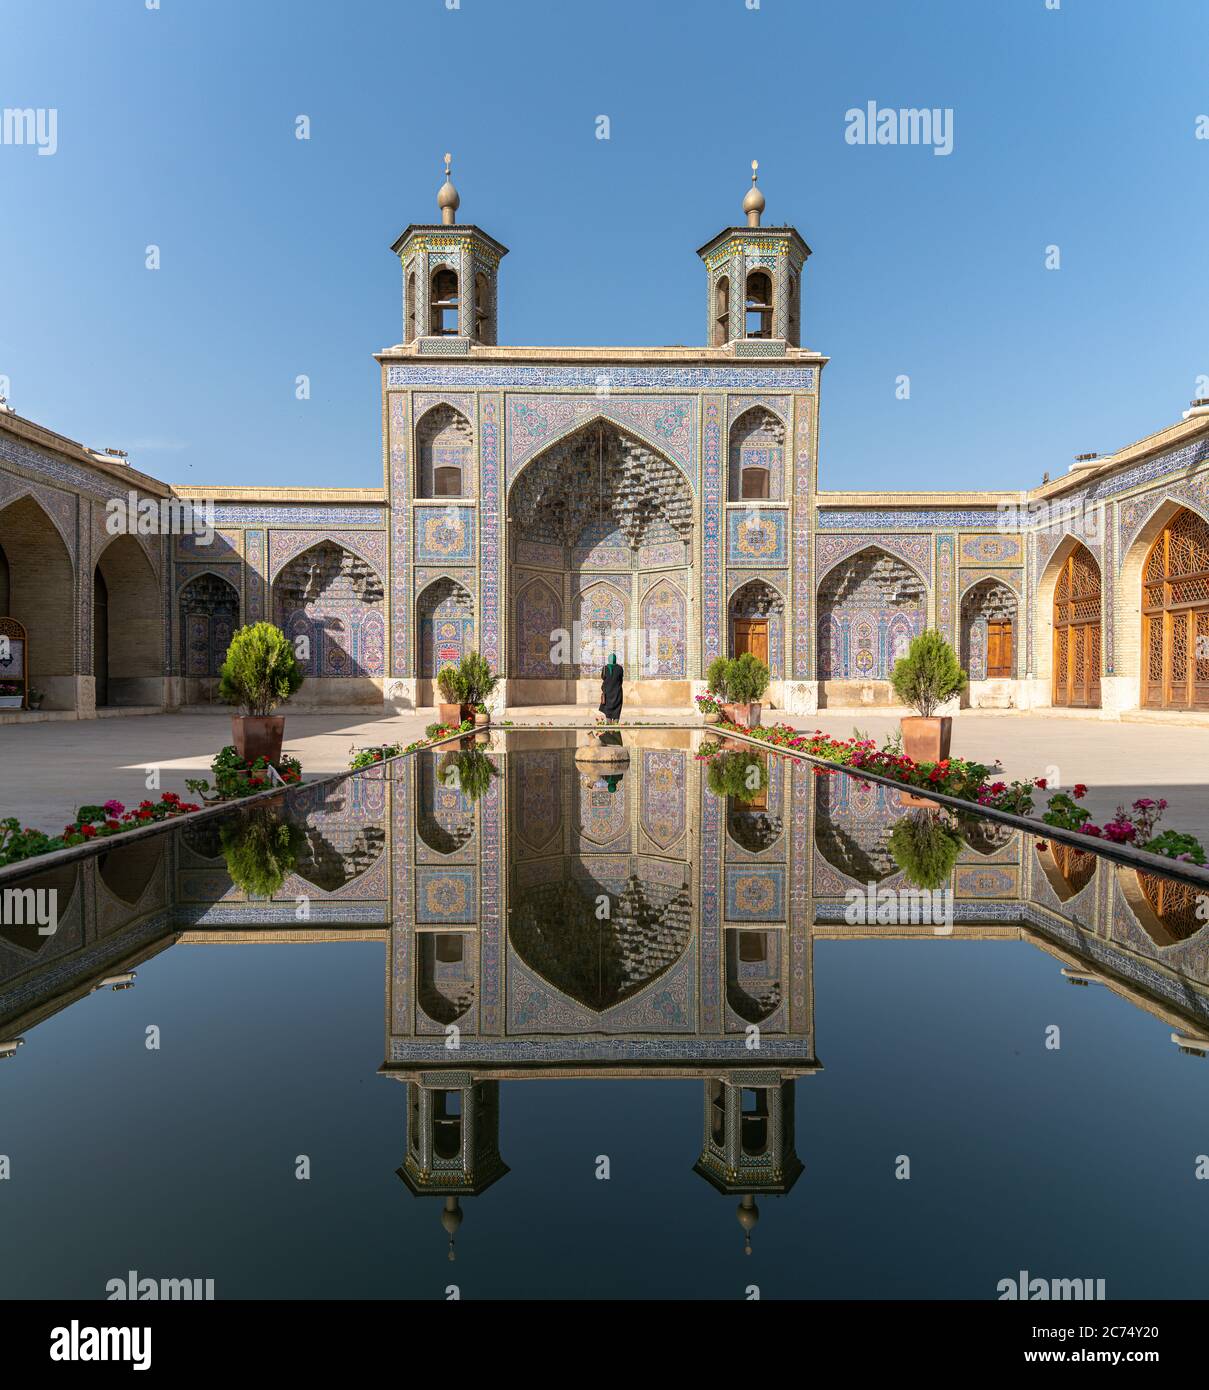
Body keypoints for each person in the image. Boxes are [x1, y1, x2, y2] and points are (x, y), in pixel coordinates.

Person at [599, 652, 623, 723]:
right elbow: (621, 680)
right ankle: (615, 729)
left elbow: (603, 678)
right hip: (617, 694)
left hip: (607, 694)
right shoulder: (620, 668)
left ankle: (609, 730)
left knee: (608, 714)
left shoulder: (604, 668)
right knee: (616, 713)